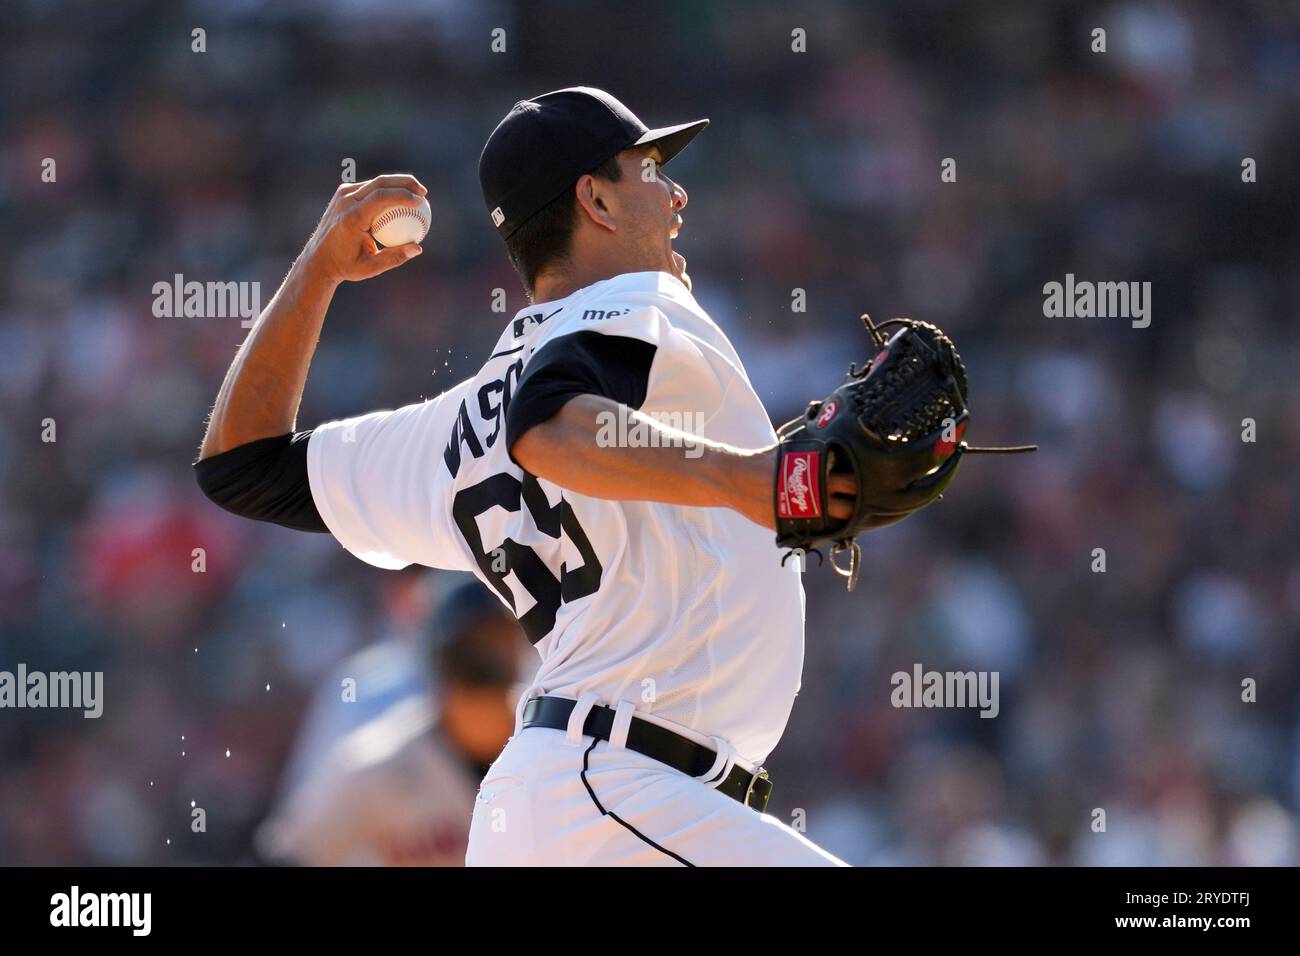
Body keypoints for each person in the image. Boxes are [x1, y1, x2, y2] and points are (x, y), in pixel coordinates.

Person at [195, 86, 849, 866]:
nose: (676, 196)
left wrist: (316, 272)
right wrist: (751, 478)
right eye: (649, 170)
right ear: (596, 198)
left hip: (589, 800)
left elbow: (242, 464)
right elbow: (547, 423)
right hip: (617, 793)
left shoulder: (455, 424)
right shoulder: (634, 304)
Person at [258, 578, 524, 866]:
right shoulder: (376, 762)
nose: (495, 652)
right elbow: (293, 850)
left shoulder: (555, 743)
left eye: (504, 638)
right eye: (482, 640)